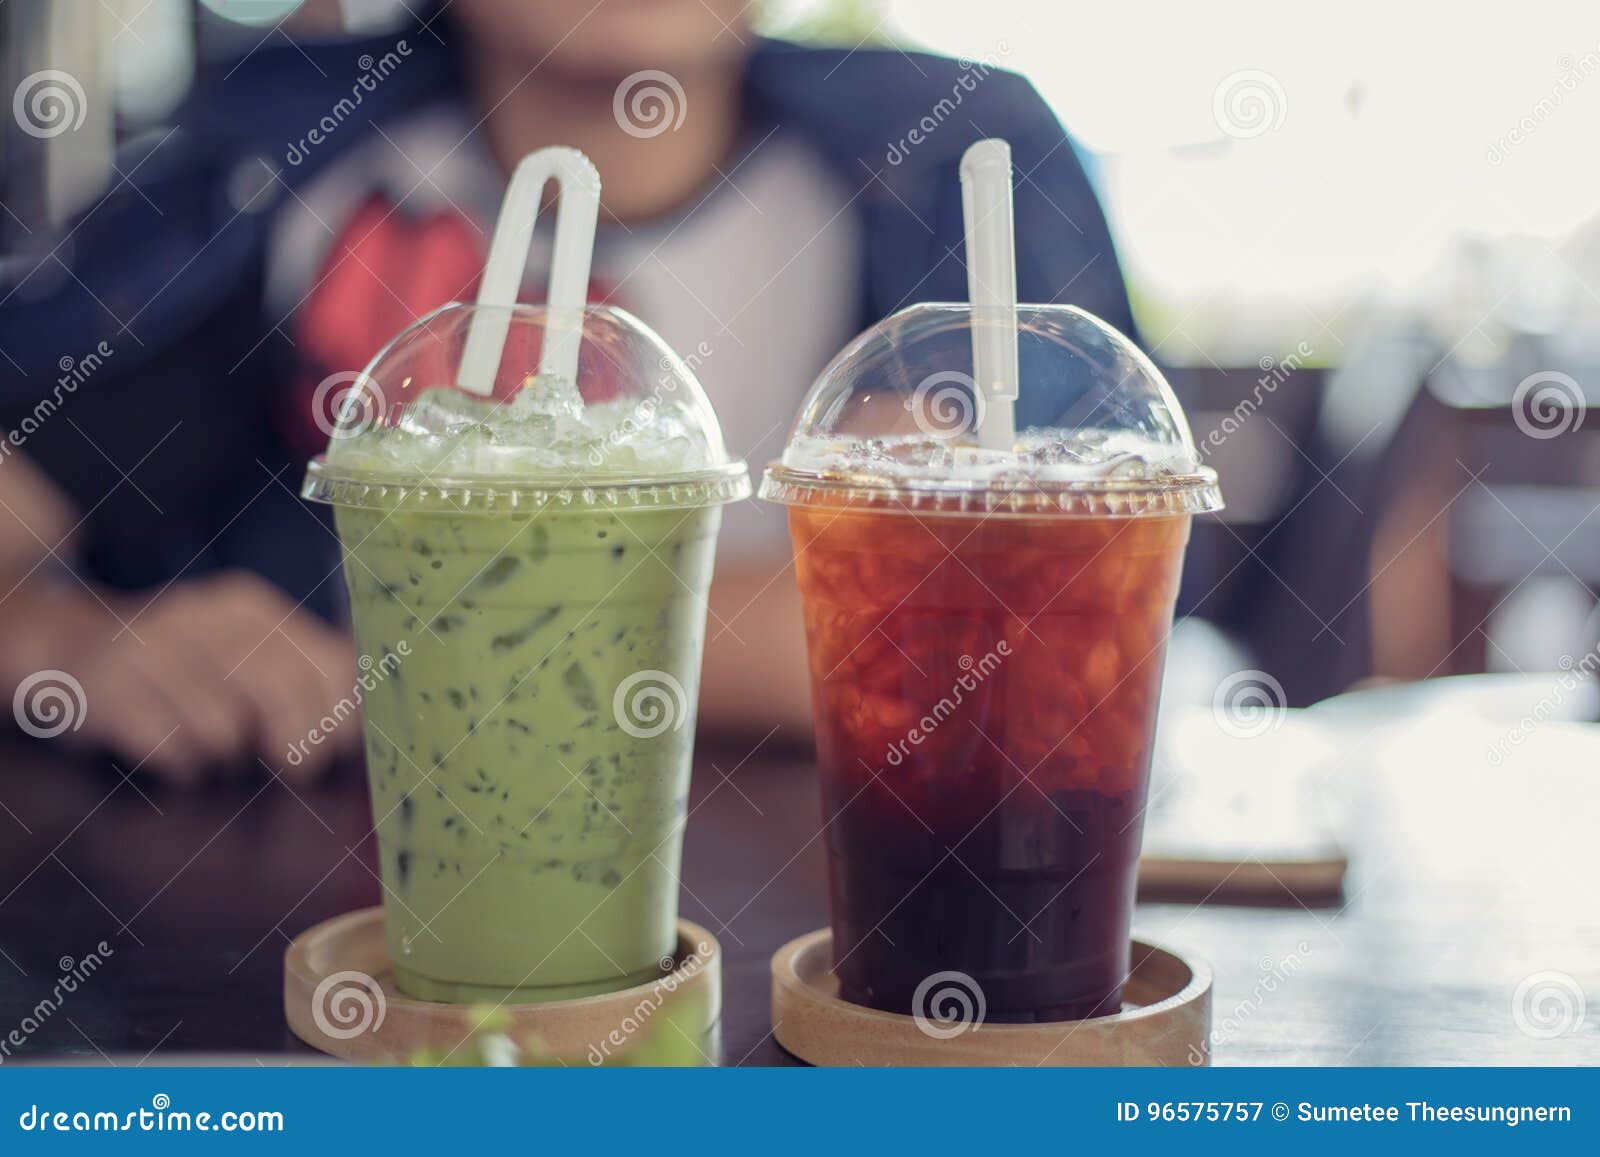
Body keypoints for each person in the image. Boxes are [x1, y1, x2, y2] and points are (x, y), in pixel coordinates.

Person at [0, 0, 1136, 784]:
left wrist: (403, 660)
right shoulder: (284, 185)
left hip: (840, 953)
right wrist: (69, 641)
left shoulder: (946, 174)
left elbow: (976, 624)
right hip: (347, 928)